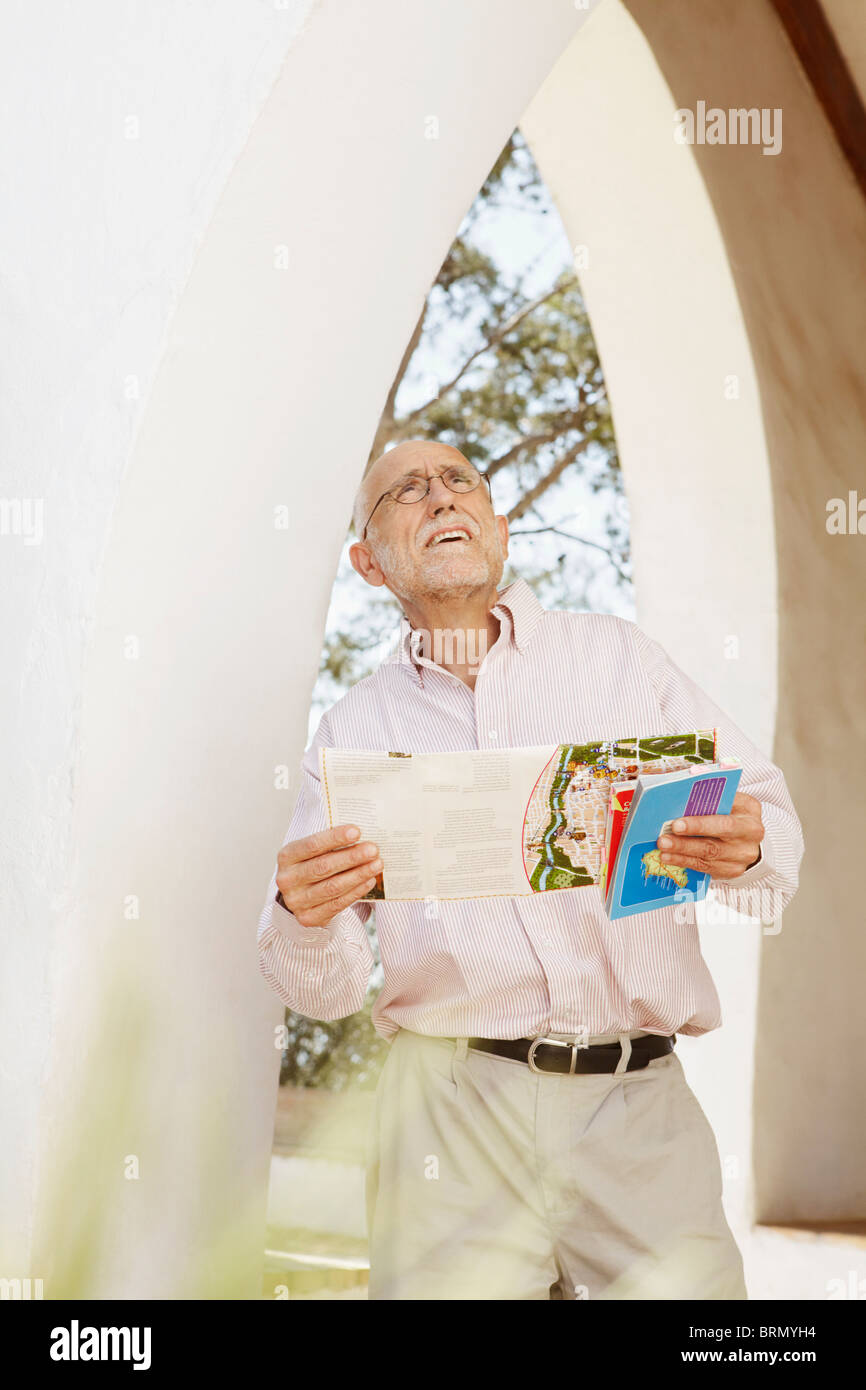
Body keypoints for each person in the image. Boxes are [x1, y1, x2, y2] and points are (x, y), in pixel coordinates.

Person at [256, 438, 804, 1300]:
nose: (441, 496)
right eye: (407, 491)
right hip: (449, 1120)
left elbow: (776, 854)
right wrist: (303, 916)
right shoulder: (352, 731)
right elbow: (324, 992)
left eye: (459, 480)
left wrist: (751, 847)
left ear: (500, 528)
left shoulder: (623, 661)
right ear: (369, 564)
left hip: (641, 1112)